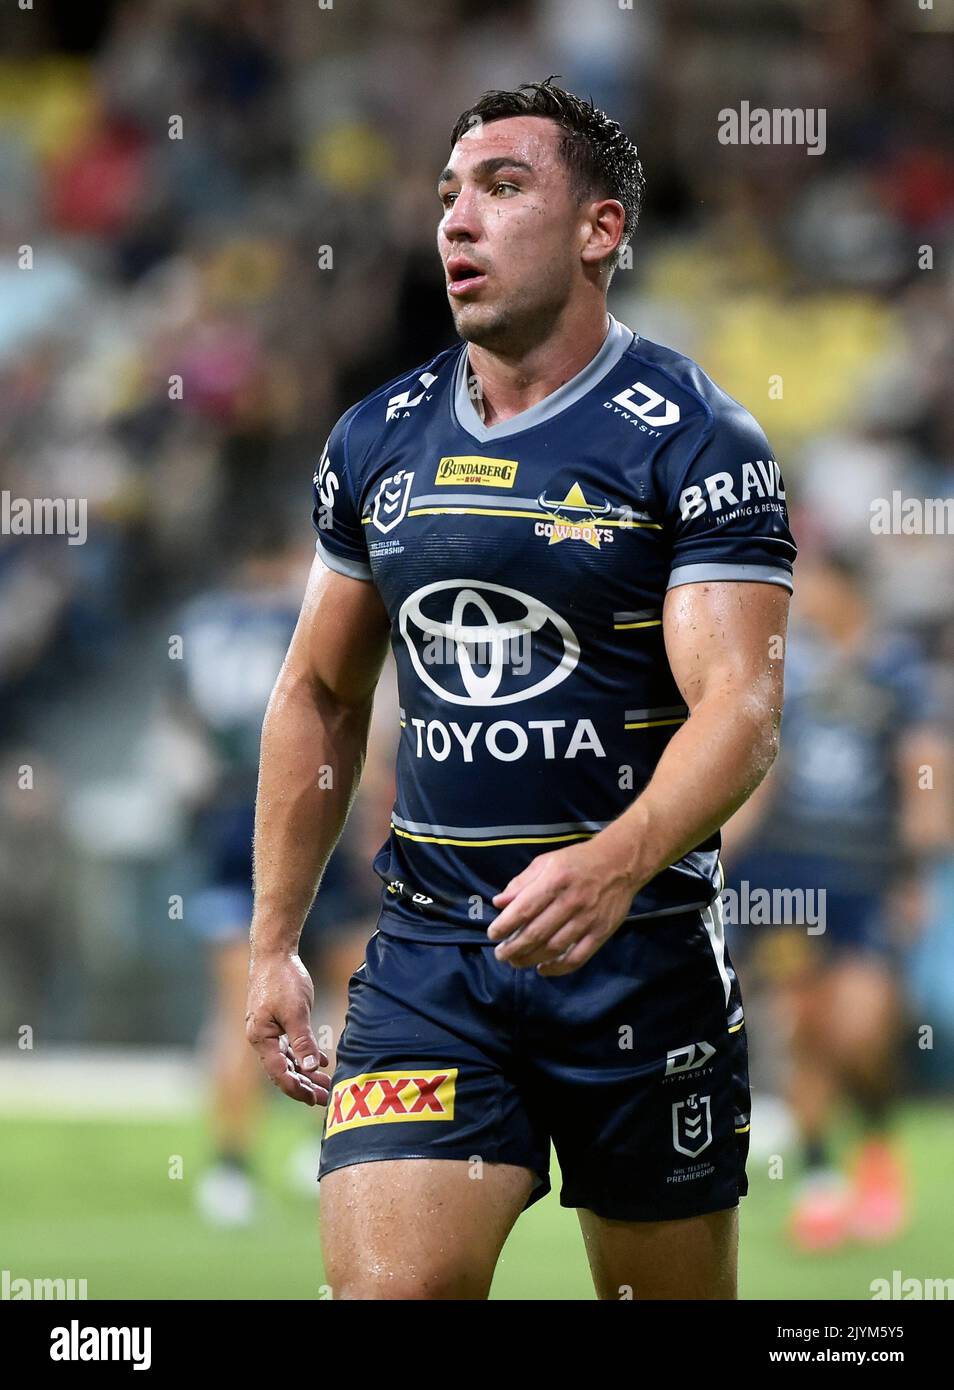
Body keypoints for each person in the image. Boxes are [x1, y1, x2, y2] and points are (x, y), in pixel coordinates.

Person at [245, 79, 796, 1299]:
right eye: (447, 196)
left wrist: (615, 860)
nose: (456, 222)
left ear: (601, 230)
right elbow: (321, 695)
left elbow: (743, 716)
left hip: (640, 958)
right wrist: (273, 940)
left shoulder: (695, 440)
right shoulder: (375, 439)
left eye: (502, 187)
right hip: (433, 958)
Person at [721, 548, 951, 1253]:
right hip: (787, 878)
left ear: (844, 587)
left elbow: (925, 771)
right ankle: (822, 1182)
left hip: (864, 878)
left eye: (810, 583)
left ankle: (877, 1142)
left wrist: (918, 868)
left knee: (861, 1025)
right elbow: (759, 770)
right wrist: (713, 856)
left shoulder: (899, 671)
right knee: (802, 1016)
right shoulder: (789, 669)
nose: (800, 597)